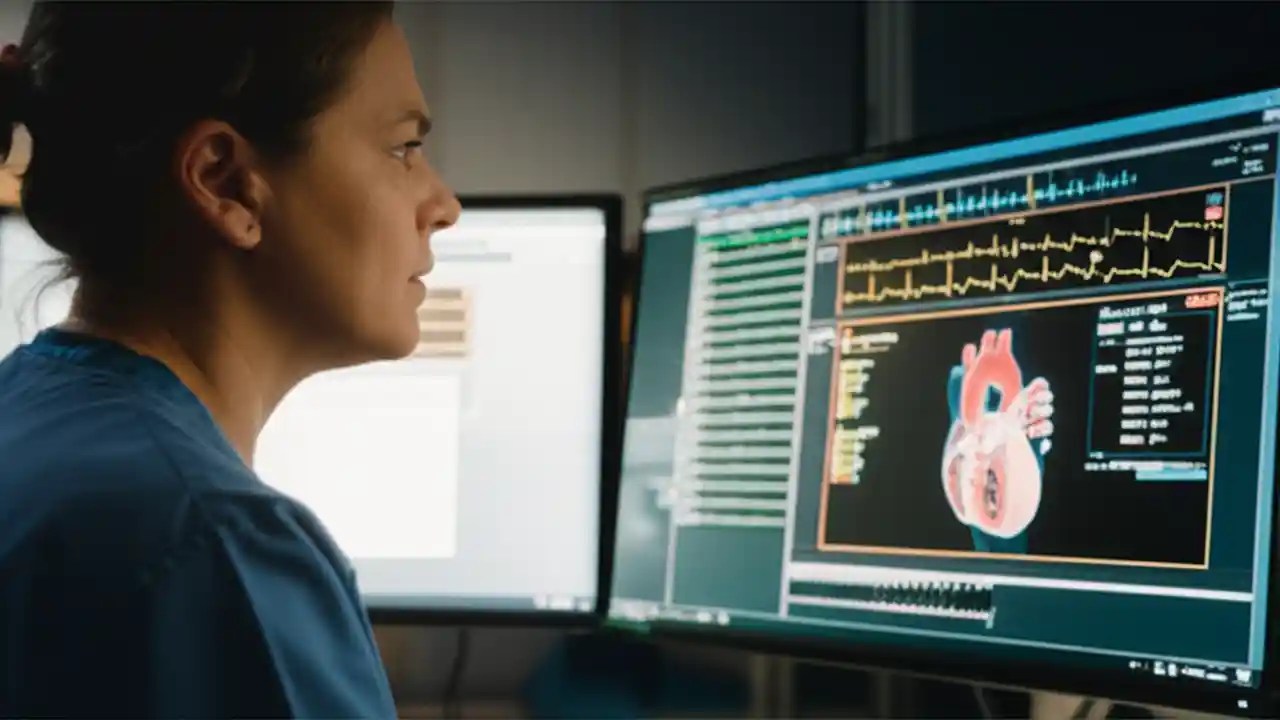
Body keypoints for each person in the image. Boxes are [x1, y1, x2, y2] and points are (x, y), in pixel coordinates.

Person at [0, 2, 461, 717]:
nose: (443, 203)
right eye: (403, 147)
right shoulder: (209, 540)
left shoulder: (22, 414)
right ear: (225, 183)